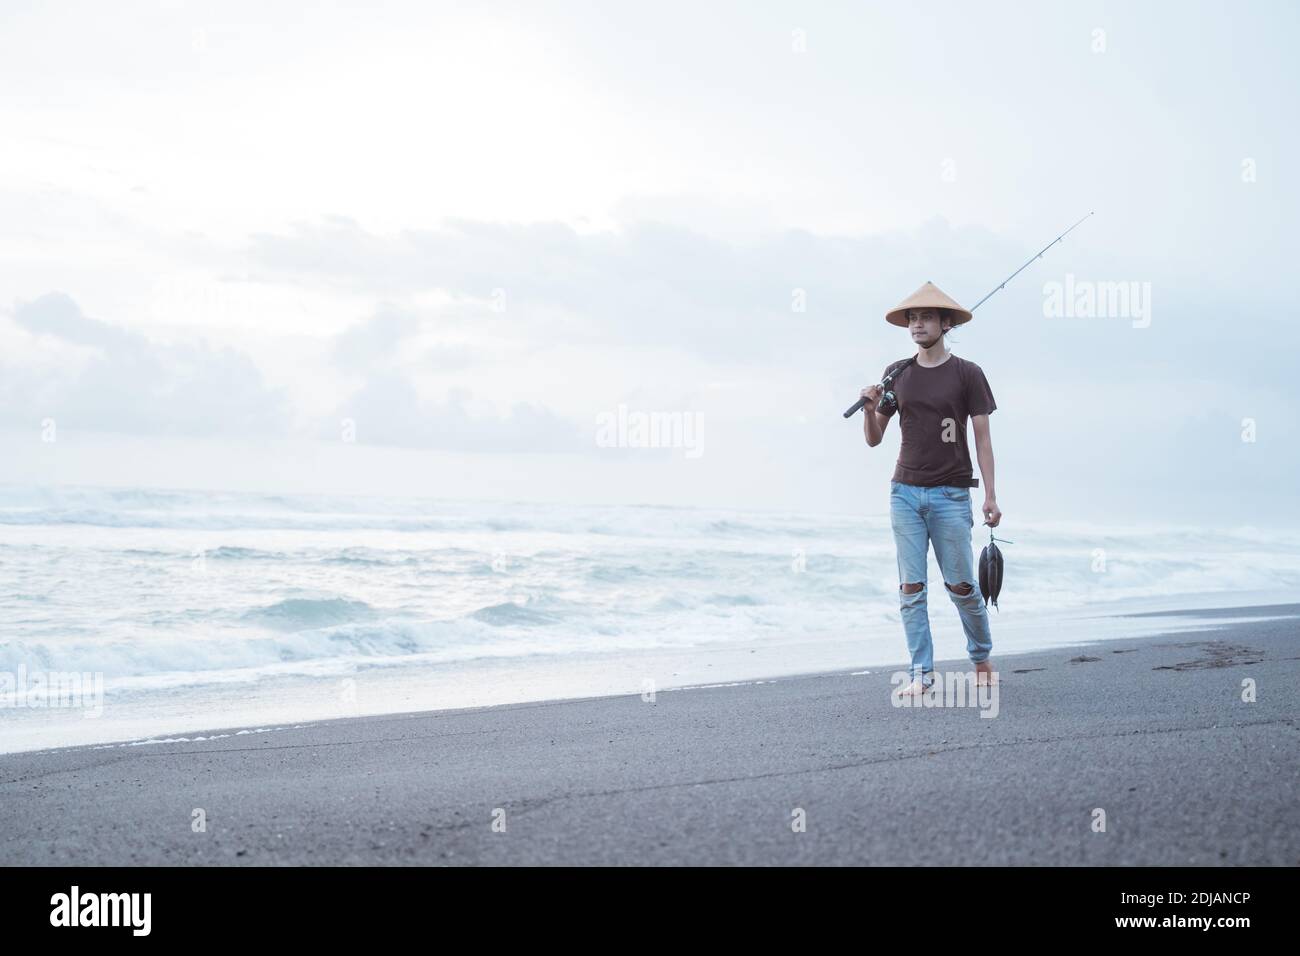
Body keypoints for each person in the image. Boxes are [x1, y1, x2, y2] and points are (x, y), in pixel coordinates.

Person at [859, 282, 1001, 697]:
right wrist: (870, 410)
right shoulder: (896, 373)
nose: (917, 324)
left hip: (951, 494)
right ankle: (921, 674)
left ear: (945, 323)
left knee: (961, 586)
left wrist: (990, 495)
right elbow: (873, 439)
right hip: (904, 492)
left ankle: (981, 656)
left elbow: (984, 441)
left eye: (926, 317)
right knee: (910, 588)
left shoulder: (968, 374)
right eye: (912, 318)